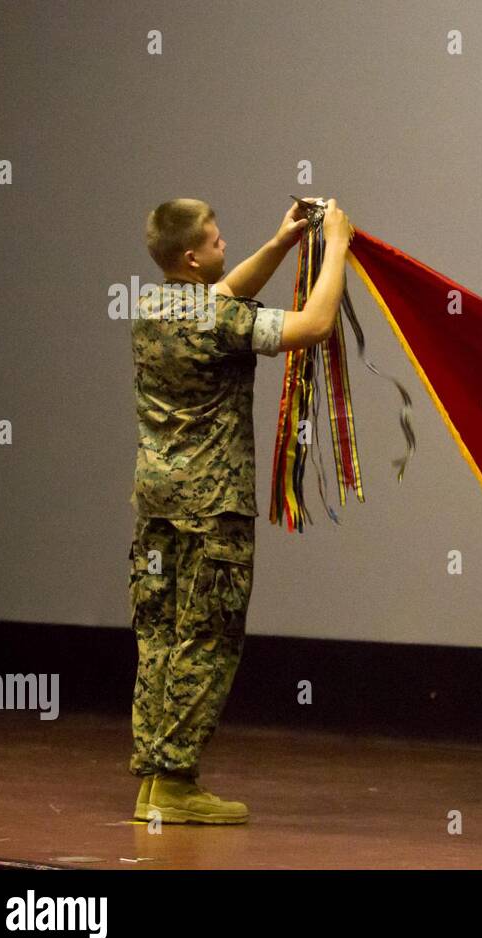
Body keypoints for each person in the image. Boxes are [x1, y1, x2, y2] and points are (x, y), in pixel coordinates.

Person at [129, 196, 351, 823]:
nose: (226, 243)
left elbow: (222, 293)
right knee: (207, 638)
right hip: (211, 508)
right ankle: (177, 783)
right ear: (192, 255)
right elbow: (313, 327)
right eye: (217, 238)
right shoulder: (213, 320)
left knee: (159, 637)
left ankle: (153, 774)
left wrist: (281, 244)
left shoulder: (151, 306)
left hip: (158, 507)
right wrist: (335, 245)